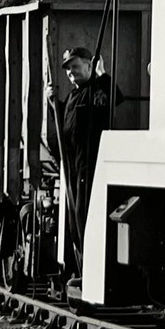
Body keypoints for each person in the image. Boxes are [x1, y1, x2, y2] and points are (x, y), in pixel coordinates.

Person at [56, 46, 112, 277]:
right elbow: (65, 125)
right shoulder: (72, 95)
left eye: (76, 67)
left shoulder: (95, 90)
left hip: (88, 167)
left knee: (84, 219)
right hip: (72, 166)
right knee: (75, 224)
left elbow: (112, 98)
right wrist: (54, 103)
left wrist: (103, 75)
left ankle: (90, 272)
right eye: (69, 69)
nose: (71, 73)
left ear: (89, 66)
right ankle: (82, 271)